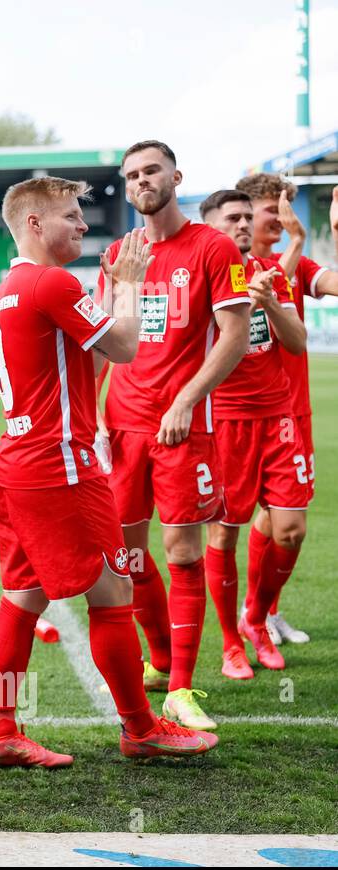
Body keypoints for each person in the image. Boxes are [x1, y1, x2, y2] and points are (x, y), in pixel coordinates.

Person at [0, 176, 215, 767]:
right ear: (34, 224)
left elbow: (81, 347)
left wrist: (109, 293)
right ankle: (140, 729)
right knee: (112, 595)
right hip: (59, 466)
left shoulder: (9, 287)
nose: (83, 225)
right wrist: (130, 284)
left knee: (21, 598)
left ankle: (0, 729)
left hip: (19, 461)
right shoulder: (51, 281)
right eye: (70, 215)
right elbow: (128, 347)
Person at [95, 141, 251, 731]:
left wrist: (188, 398)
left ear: (175, 176)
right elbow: (102, 341)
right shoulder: (116, 253)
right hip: (123, 427)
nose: (141, 181)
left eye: (151, 170)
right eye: (132, 175)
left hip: (184, 428)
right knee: (128, 557)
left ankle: (182, 688)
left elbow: (233, 334)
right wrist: (89, 418)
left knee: (183, 552)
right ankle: (158, 659)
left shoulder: (211, 247)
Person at [198, 190, 305, 677]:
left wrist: (270, 303)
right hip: (224, 421)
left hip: (278, 416)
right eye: (232, 218)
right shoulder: (200, 277)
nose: (243, 225)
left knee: (290, 528)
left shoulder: (270, 272)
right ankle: (229, 644)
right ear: (211, 226)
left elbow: (298, 342)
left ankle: (256, 620)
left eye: (247, 217)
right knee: (223, 534)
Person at [233, 175, 338, 646]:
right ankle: (249, 624)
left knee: (286, 526)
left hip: (292, 413)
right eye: (273, 207)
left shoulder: (289, 262)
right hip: (237, 414)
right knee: (235, 527)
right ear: (245, 211)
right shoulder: (229, 263)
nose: (283, 217)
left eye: (287, 207)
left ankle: (259, 613)